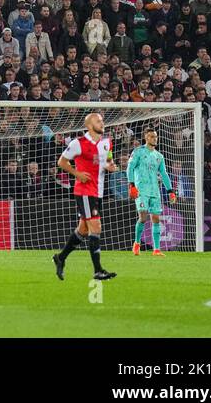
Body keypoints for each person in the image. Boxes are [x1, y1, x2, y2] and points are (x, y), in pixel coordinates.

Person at [53, 112, 119, 282]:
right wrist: (76, 173)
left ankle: (60, 258)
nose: (102, 123)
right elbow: (61, 162)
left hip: (99, 191)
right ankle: (98, 271)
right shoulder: (78, 143)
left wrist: (110, 165)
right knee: (95, 228)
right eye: (98, 121)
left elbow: (107, 159)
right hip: (84, 191)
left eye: (102, 120)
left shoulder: (107, 142)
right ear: (89, 125)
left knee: (82, 230)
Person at [127, 128, 175, 256]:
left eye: (155, 136)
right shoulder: (138, 152)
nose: (155, 138)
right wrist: (131, 185)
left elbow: (164, 174)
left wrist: (170, 190)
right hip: (141, 190)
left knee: (156, 218)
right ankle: (137, 243)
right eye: (152, 136)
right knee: (142, 218)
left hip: (155, 191)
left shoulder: (159, 156)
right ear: (146, 138)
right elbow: (130, 168)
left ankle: (157, 249)